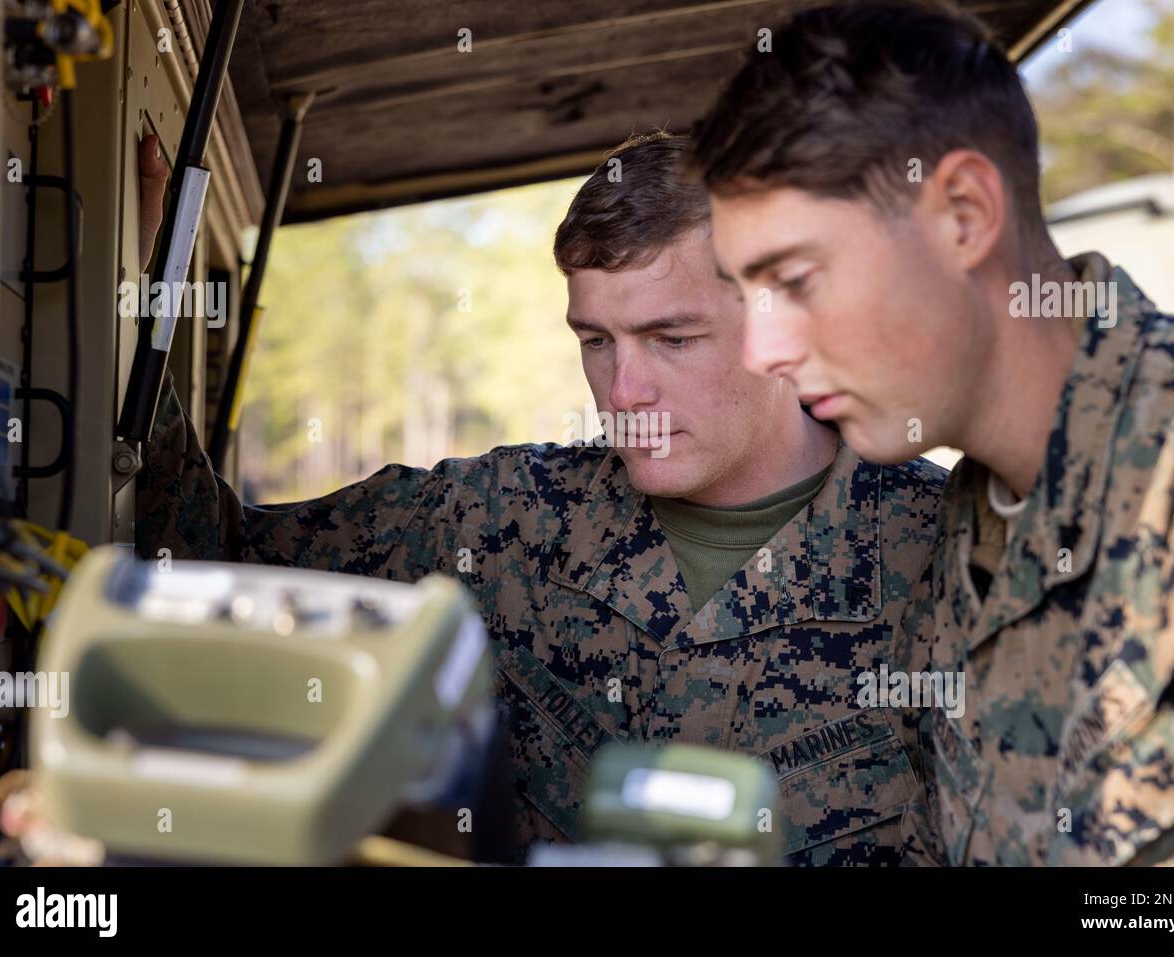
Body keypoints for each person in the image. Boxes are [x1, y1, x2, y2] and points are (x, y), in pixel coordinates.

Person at [133, 130, 946, 864]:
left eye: (673, 338)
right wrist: (145, 286)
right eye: (596, 341)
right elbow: (215, 556)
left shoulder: (941, 552)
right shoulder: (504, 518)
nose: (624, 389)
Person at [692, 0, 1174, 865]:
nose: (762, 349)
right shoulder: (972, 520)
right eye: (747, 295)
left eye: (797, 280)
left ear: (963, 213)